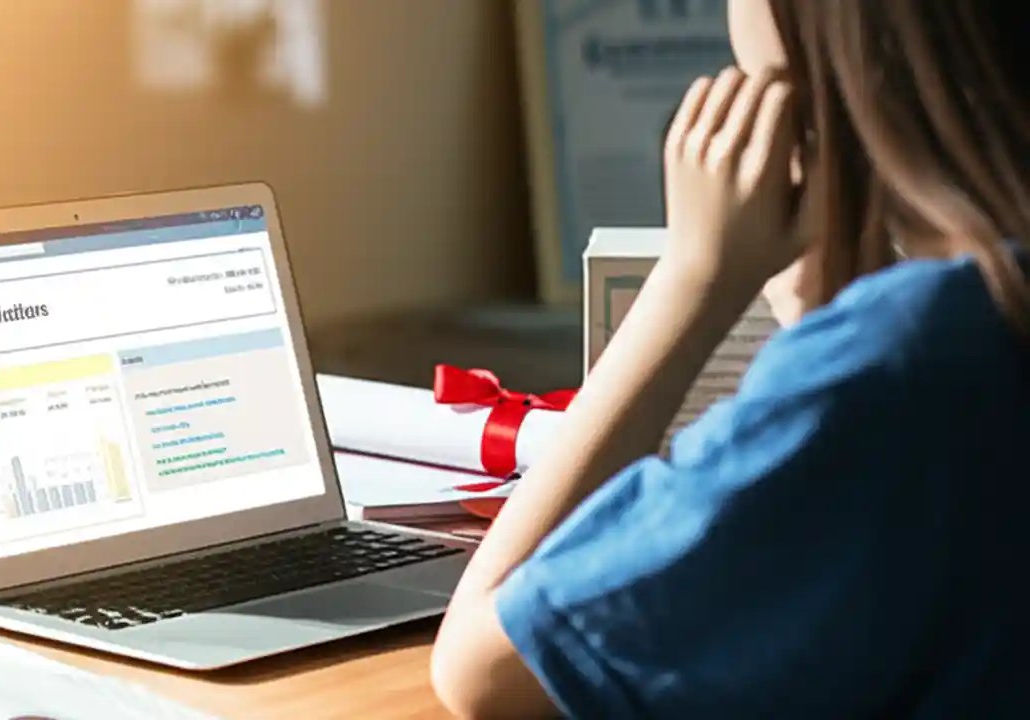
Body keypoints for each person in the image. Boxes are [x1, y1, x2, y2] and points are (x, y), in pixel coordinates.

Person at [430, 0, 1030, 717]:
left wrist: (694, 279)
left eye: (766, 93)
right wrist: (825, 312)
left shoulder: (907, 360)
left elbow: (482, 670)